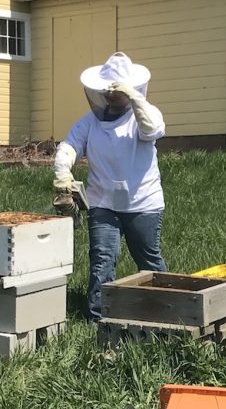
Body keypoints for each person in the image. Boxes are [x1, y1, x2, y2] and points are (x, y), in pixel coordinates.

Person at [53, 51, 167, 322]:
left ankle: (166, 310)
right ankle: (98, 319)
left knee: (149, 261)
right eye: (107, 92)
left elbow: (152, 130)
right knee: (102, 260)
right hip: (103, 203)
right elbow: (69, 146)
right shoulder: (89, 122)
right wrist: (61, 172)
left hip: (143, 203)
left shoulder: (143, 117)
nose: (110, 97)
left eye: (116, 92)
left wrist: (136, 98)